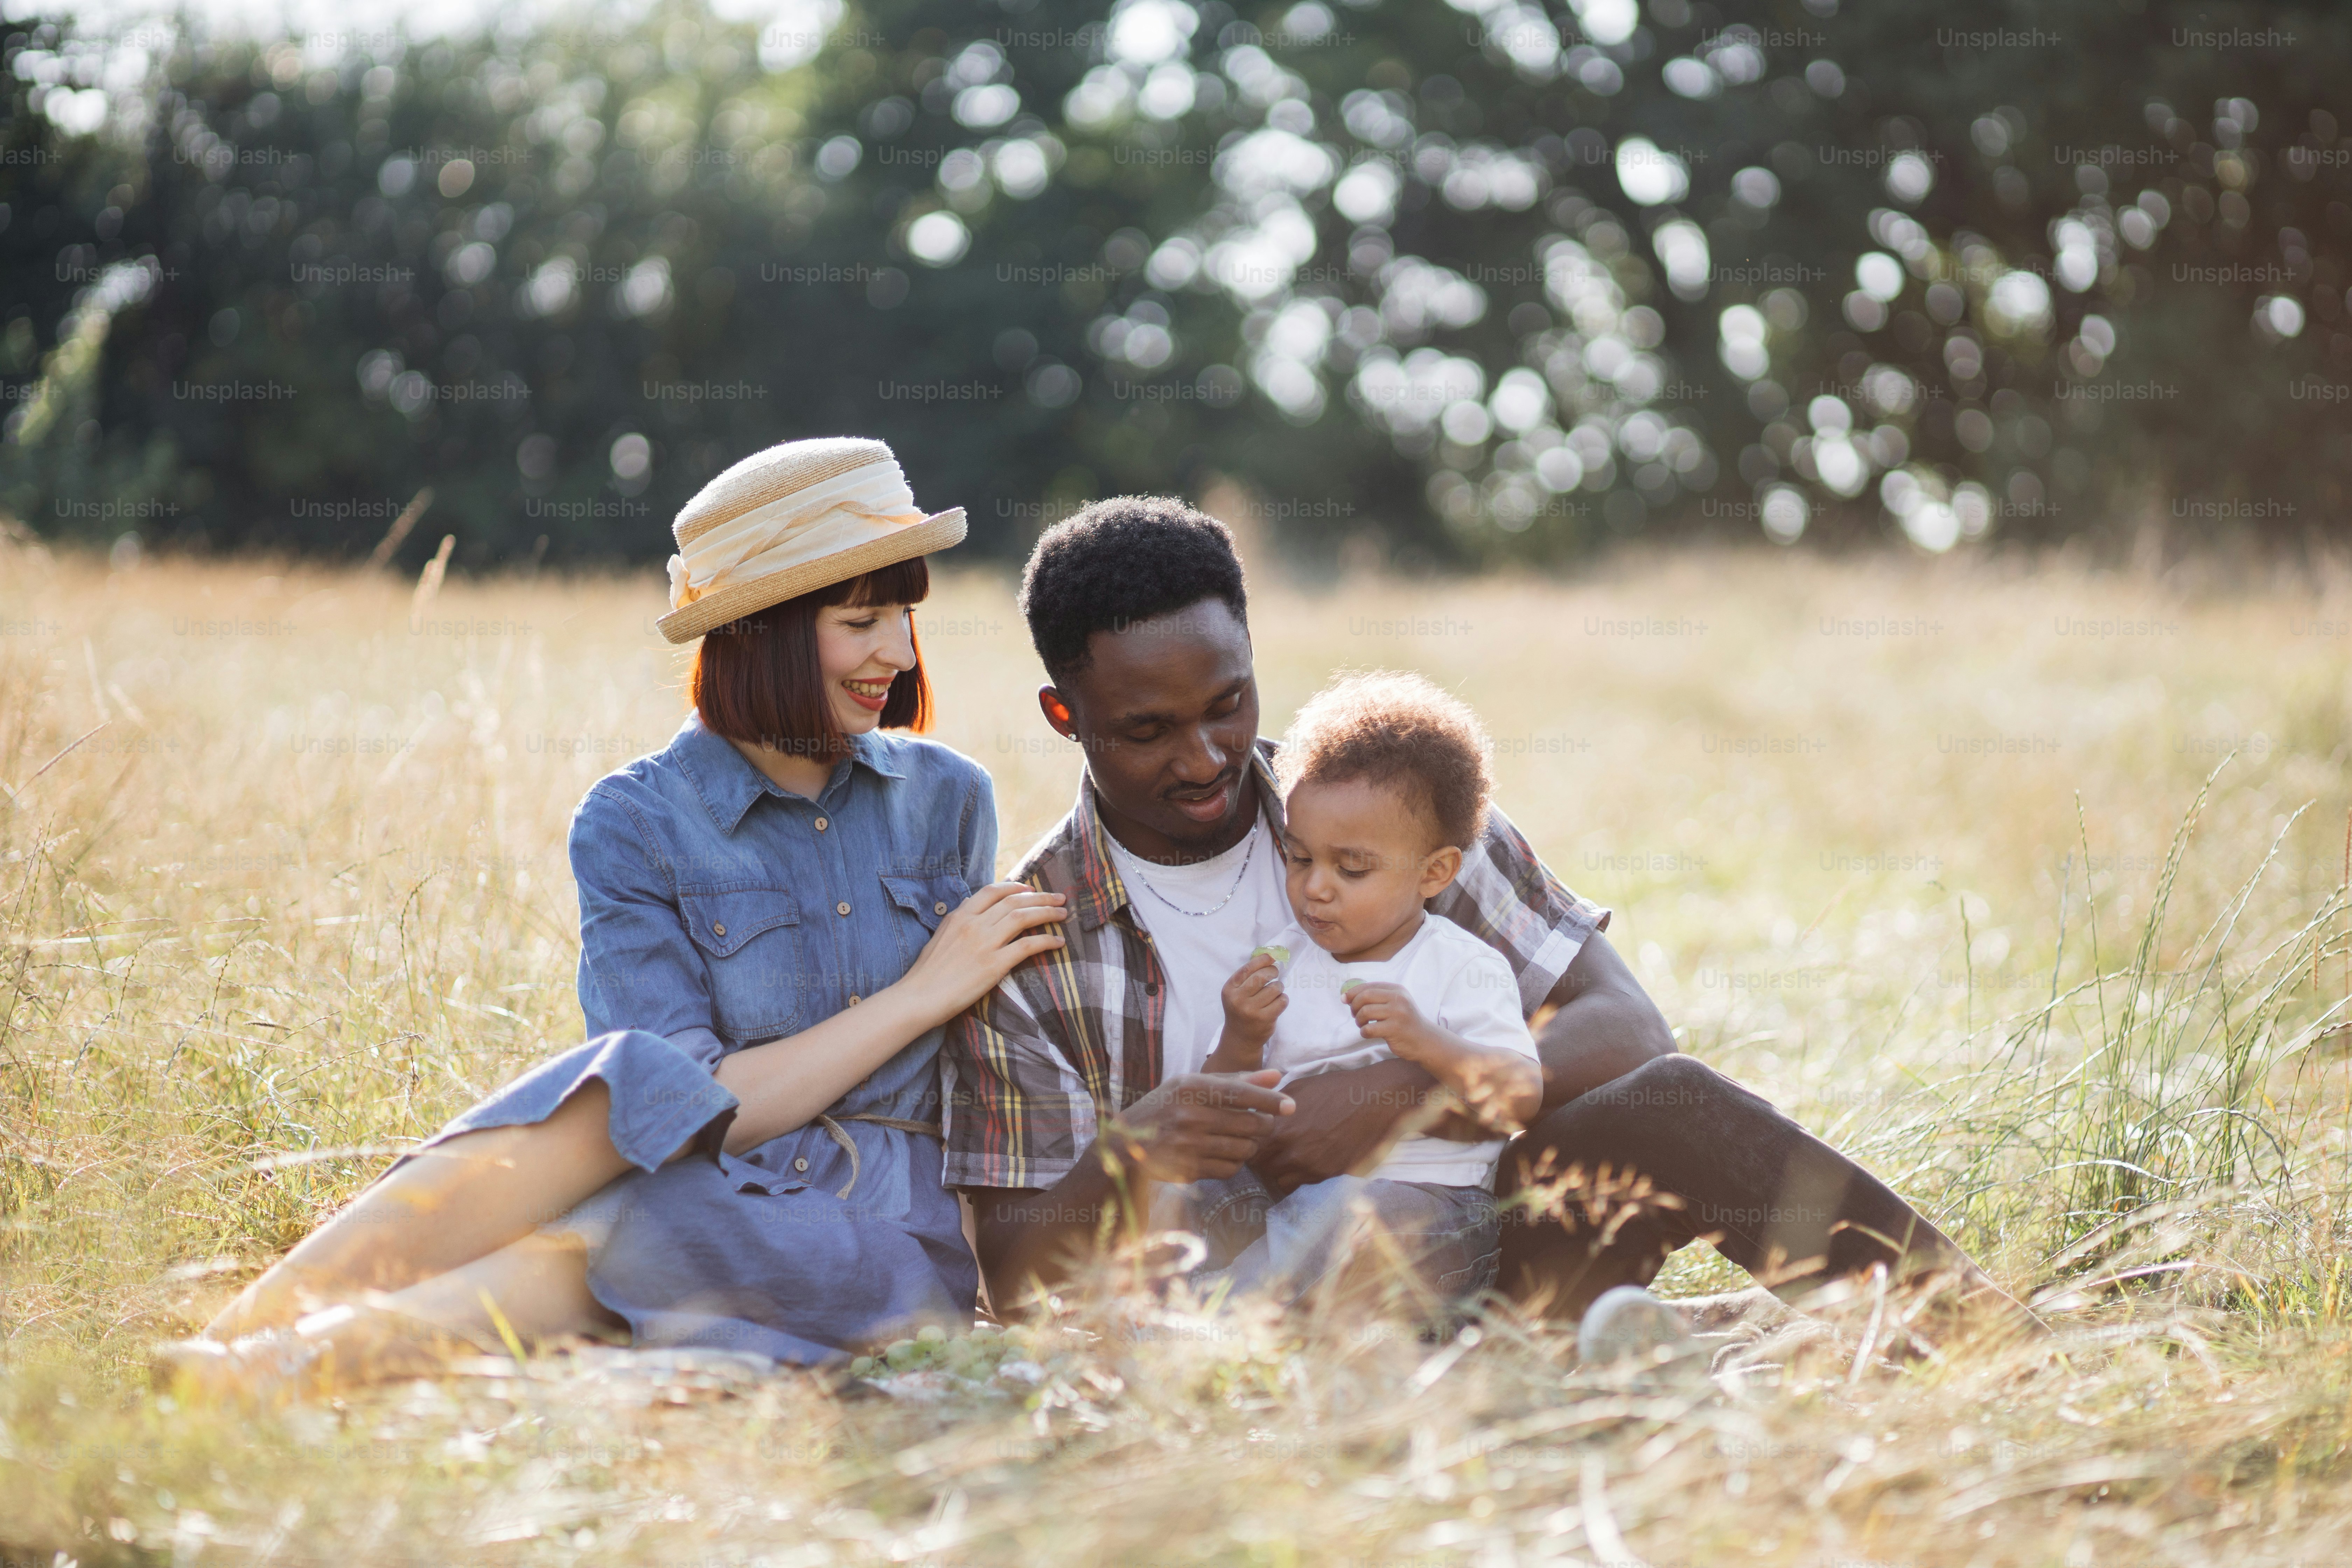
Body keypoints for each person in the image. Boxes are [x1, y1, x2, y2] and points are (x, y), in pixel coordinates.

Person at [944, 495, 2035, 1341]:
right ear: (1064, 715)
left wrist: (1403, 1091)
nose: (1207, 757)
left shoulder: (1384, 804)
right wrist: (1140, 1151)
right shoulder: (1032, 942)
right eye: (1147, 730)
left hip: (1487, 1253)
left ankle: (1977, 1342)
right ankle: (1533, 1380)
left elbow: (1622, 1026)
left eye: (1229, 703)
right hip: (1244, 1328)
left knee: (1673, 1103)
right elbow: (1015, 1277)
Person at [161, 436, 1069, 1398]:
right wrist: (920, 996)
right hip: (698, 1190)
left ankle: (261, 1362)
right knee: (641, 1087)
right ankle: (242, 1350)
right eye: (862, 620)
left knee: (639, 1215)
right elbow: (679, 1117)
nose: (898, 651)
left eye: (902, 617)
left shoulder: (948, 798)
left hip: (887, 1246)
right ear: (761, 630)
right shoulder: (635, 820)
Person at [1177, 671, 1542, 1304]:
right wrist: (1241, 1034)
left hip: (1431, 1219)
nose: (1317, 887)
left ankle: (1226, 1320)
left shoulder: (1460, 966)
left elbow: (1519, 1098)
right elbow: (1221, 1107)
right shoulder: (1284, 959)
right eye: (1300, 858)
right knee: (1191, 1190)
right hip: (1288, 1199)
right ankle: (1175, 1299)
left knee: (1339, 1218)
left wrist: (1427, 1044)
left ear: (1434, 872)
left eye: (1351, 869)